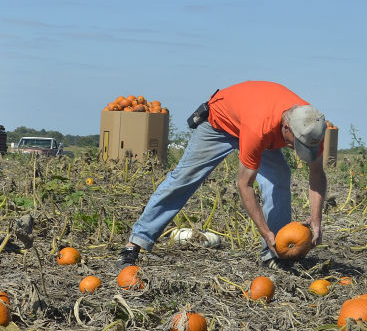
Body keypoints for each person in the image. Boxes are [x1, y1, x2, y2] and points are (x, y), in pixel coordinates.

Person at [118, 81, 327, 268]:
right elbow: (245, 186)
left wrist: (316, 218)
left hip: (257, 123)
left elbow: (317, 172)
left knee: (279, 178)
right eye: (294, 143)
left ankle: (277, 253)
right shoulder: (259, 128)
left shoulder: (311, 126)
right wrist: (265, 231)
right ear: (286, 127)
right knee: (183, 179)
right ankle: (136, 242)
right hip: (220, 125)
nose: (294, 148)